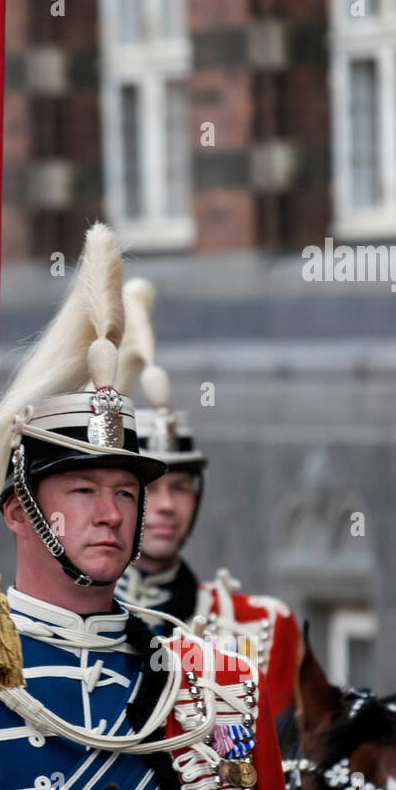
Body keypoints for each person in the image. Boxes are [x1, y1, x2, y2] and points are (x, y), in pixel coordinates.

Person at [0, 225, 291, 790]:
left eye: (126, 493)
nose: (110, 513)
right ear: (16, 511)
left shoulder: (213, 683)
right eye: (83, 491)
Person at [111, 278, 301, 720]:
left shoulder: (259, 625)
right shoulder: (71, 627)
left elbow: (276, 772)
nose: (165, 505)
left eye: (180, 487)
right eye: (149, 488)